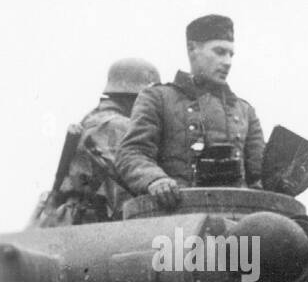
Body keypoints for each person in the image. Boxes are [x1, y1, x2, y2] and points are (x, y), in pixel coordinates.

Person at [117, 15, 264, 209]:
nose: (227, 62)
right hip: (178, 215)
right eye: (219, 52)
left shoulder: (244, 111)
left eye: (231, 54)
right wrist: (155, 180)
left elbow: (259, 174)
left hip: (237, 216)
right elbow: (132, 152)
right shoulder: (158, 98)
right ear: (192, 49)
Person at [36, 58, 160, 226]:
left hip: (77, 223)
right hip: (85, 226)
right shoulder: (114, 126)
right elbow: (136, 179)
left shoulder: (97, 119)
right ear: (138, 98)